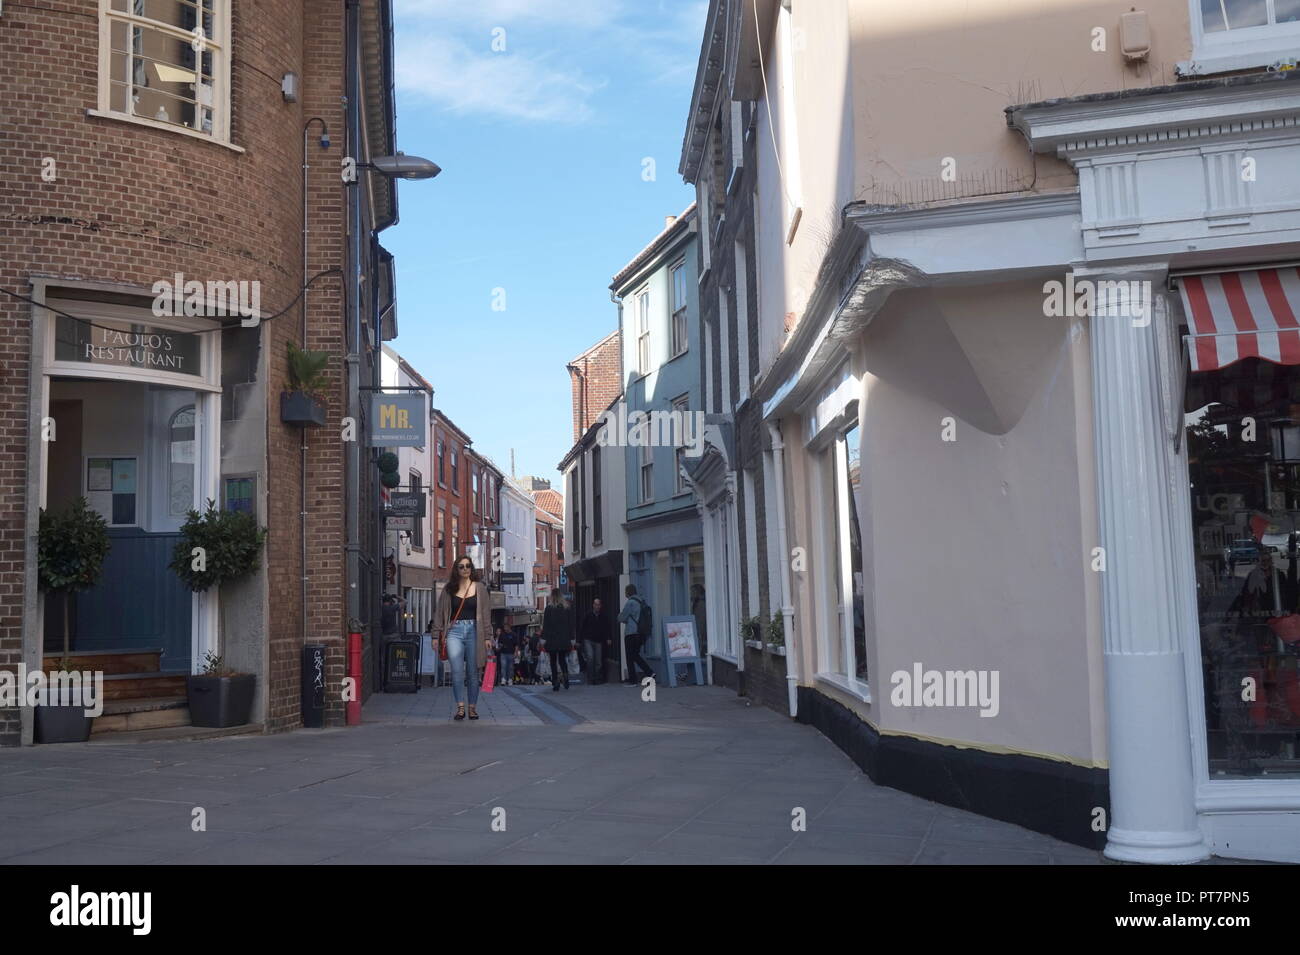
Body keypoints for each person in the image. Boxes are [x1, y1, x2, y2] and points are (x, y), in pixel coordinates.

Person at [432, 554, 494, 721]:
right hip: (454, 631)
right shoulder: (448, 589)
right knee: (457, 672)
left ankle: (472, 708)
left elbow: (486, 614)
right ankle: (460, 708)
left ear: (471, 568)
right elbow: (439, 613)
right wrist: (435, 635)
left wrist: (488, 636)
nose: (465, 569)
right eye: (461, 566)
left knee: (473, 672)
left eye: (468, 566)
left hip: (475, 630)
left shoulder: (480, 588)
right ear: (456, 570)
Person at [619, 584, 654, 685]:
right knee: (635, 655)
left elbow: (621, 618)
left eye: (626, 591)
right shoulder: (642, 601)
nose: (625, 593)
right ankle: (650, 672)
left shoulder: (630, 603)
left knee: (630, 657)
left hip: (631, 633)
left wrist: (620, 616)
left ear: (628, 592)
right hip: (641, 633)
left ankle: (633, 680)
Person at [542, 588, 573, 692]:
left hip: (552, 640)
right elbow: (571, 625)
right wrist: (572, 638)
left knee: (553, 661)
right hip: (564, 639)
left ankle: (555, 682)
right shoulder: (567, 608)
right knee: (562, 659)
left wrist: (543, 639)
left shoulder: (548, 609)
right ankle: (565, 676)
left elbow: (545, 626)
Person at [579, 598, 610, 685]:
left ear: (600, 606)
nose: (597, 606)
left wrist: (608, 638)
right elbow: (582, 627)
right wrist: (580, 640)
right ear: (593, 605)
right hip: (588, 639)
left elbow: (606, 627)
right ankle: (591, 678)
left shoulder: (603, 616)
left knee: (598, 661)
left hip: (598, 640)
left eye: (598, 604)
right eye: (595, 604)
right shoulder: (588, 615)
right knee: (590, 658)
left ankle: (597, 678)